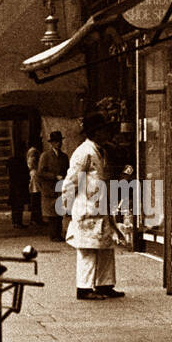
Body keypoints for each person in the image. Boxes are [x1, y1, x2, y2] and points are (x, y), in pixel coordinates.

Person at [62, 112, 124, 299]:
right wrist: (66, 207)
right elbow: (70, 181)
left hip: (100, 207)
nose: (108, 134)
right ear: (95, 132)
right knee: (88, 249)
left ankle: (105, 284)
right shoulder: (84, 153)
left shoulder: (100, 150)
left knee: (105, 247)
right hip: (87, 209)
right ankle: (84, 288)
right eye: (104, 130)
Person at [38, 131, 69, 241]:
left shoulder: (64, 157)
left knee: (59, 212)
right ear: (51, 143)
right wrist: (54, 176)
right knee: (52, 214)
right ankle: (53, 235)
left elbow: (67, 170)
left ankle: (58, 234)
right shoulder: (45, 156)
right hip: (49, 188)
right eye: (56, 142)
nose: (58, 144)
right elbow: (40, 172)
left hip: (60, 187)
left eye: (60, 141)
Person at [6, 143, 30, 228]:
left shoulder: (11, 160)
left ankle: (15, 221)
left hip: (14, 185)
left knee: (15, 205)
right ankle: (18, 222)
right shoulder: (21, 161)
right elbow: (25, 173)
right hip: (20, 185)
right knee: (19, 205)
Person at [26, 139, 43, 224]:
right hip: (35, 175)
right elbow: (32, 162)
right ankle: (35, 218)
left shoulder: (32, 151)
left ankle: (36, 217)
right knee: (36, 197)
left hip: (34, 175)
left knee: (36, 197)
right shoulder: (33, 151)